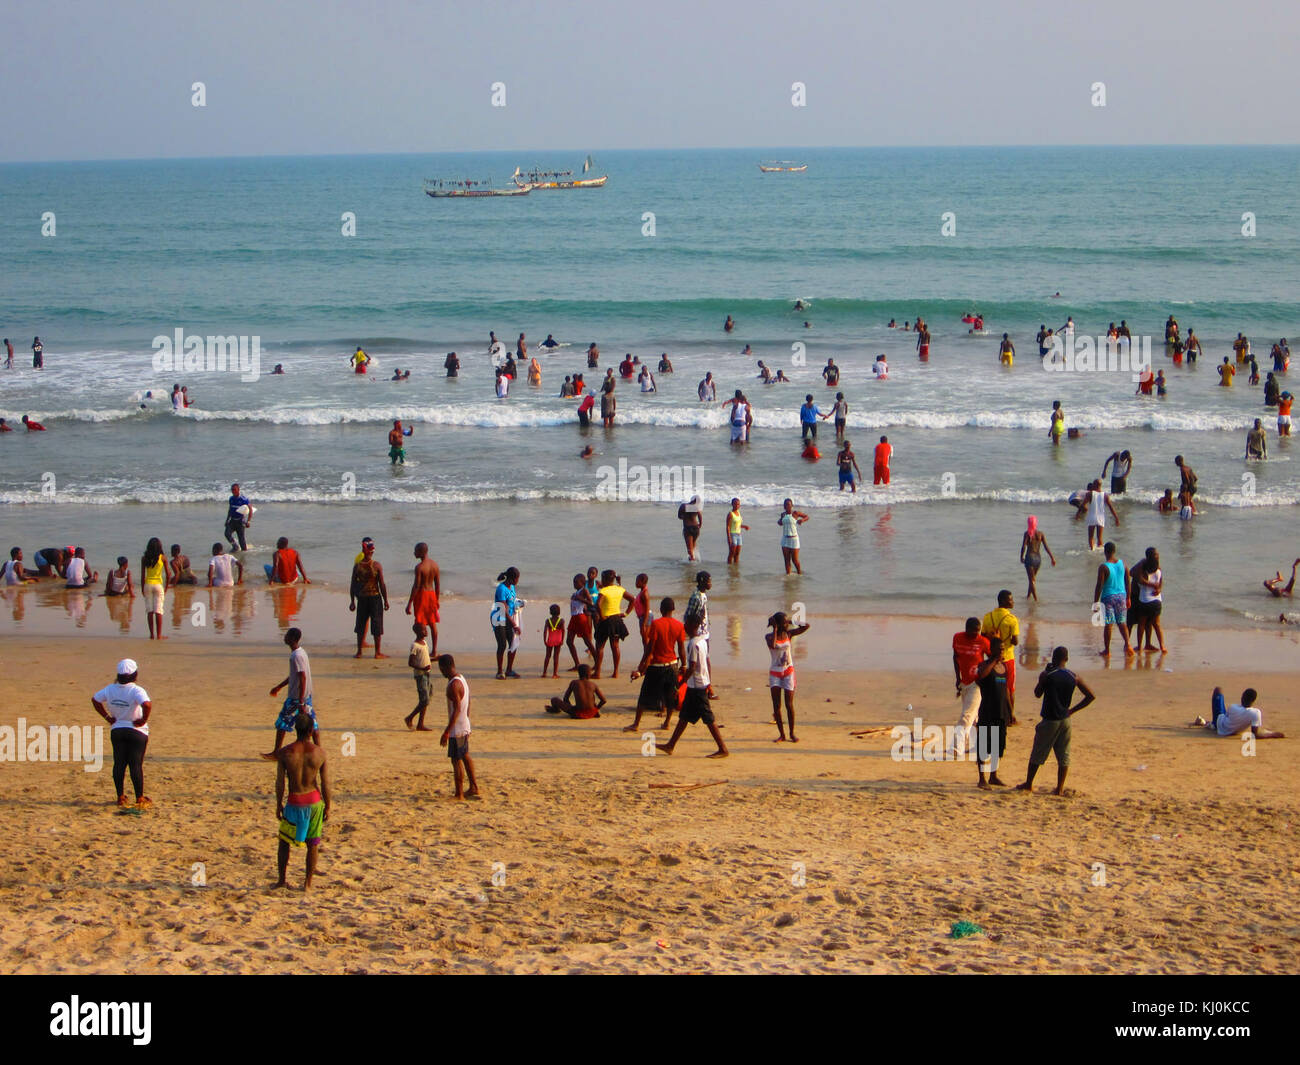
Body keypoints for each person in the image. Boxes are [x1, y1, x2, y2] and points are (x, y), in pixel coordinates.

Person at [1015, 646, 1096, 795]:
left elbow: (1037, 694)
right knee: (1063, 755)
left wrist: (1042, 679)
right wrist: (1072, 710)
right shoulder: (1073, 676)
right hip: (1065, 720)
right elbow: (1090, 696)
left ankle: (1028, 783)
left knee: (1038, 752)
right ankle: (1059, 788)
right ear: (1067, 659)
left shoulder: (1048, 674)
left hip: (1050, 719)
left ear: (1053, 658)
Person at [273, 709, 331, 889]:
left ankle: (282, 880)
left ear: (295, 730)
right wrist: (328, 806)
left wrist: (278, 804)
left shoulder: (285, 752)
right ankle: (307, 883)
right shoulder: (320, 753)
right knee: (312, 844)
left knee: (284, 842)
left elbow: (280, 783)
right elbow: (325, 783)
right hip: (314, 802)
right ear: (311, 731)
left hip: (294, 802)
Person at [656, 614, 728, 757]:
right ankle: (670, 745)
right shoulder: (702, 642)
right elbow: (705, 663)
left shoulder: (693, 644)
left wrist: (680, 684)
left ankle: (723, 749)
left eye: (686, 623)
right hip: (699, 683)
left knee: (708, 718)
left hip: (697, 686)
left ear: (691, 626)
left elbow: (692, 667)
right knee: (684, 716)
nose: (684, 626)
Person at [91, 658, 152, 809]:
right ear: (134, 674)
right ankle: (139, 797)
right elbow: (147, 704)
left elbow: (95, 699)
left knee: (119, 763)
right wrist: (143, 719)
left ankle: (120, 796)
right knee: (135, 765)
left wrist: (107, 717)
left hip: (117, 729)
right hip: (136, 731)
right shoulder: (136, 690)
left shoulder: (110, 689)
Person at [627, 597, 687, 733]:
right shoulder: (679, 625)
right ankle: (667, 723)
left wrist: (641, 666)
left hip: (657, 665)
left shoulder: (656, 624)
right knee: (670, 695)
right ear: (673, 609)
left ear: (661, 609)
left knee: (644, 695)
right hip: (672, 665)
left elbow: (650, 648)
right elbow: (681, 648)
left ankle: (636, 724)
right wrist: (683, 665)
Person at [265, 627, 318, 758]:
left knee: (282, 722)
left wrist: (300, 700)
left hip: (297, 697)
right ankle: (318, 749)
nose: (285, 637)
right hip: (306, 695)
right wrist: (279, 687)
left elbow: (302, 677)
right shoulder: (301, 653)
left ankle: (277, 752)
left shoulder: (296, 656)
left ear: (293, 639)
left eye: (287, 635)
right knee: (312, 722)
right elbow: (294, 676)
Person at [439, 655, 480, 799]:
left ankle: (459, 793)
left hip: (457, 730)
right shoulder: (461, 678)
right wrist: (466, 719)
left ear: (444, 668)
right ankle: (474, 787)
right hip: (464, 725)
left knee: (456, 760)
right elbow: (468, 701)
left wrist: (446, 731)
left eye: (441, 669)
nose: (441, 673)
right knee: (465, 755)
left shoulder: (453, 685)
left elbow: (456, 709)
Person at [766, 611, 809, 742]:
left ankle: (791, 733)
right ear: (778, 624)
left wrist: (790, 622)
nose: (786, 624)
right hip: (775, 674)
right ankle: (782, 735)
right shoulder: (768, 636)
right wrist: (775, 628)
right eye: (784, 622)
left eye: (787, 622)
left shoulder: (789, 634)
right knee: (776, 705)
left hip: (788, 672)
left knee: (789, 705)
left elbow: (806, 626)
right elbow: (773, 645)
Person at [950, 617, 989, 759]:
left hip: (977, 684)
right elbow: (955, 657)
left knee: (966, 716)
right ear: (966, 629)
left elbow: (992, 658)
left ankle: (956, 748)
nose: (976, 634)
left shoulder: (983, 642)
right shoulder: (957, 638)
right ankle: (978, 746)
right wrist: (958, 678)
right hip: (964, 683)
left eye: (978, 631)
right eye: (974, 632)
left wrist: (983, 677)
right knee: (974, 718)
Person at [974, 636, 1010, 788]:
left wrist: (1010, 711)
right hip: (987, 711)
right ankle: (982, 778)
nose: (1002, 651)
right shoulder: (984, 665)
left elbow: (1006, 690)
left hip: (1001, 712)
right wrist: (994, 661)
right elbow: (981, 676)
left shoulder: (1004, 667)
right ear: (992, 650)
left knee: (997, 745)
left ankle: (993, 776)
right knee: (984, 744)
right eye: (999, 648)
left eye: (1003, 648)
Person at [980, 591, 1020, 721]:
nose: (1013, 602)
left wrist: (994, 638)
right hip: (1007, 657)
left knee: (994, 688)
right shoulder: (1011, 619)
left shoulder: (987, 617)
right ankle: (1010, 716)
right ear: (1003, 601)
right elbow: (1015, 641)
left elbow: (983, 636)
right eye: (1010, 599)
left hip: (992, 658)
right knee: (1010, 688)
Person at [349, 537, 389, 658]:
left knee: (360, 624)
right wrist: (386, 600)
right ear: (372, 551)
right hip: (375, 598)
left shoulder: (357, 566)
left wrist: (352, 601)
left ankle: (359, 652)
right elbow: (381, 584)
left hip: (362, 598)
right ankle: (377, 652)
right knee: (377, 624)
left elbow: (353, 584)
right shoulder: (376, 566)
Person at [1194, 687, 1285, 740]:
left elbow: (1226, 717)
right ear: (1253, 701)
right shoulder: (1255, 713)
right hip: (1234, 731)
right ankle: (1205, 723)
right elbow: (1255, 734)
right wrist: (1272, 734)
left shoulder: (1233, 707)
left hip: (1220, 724)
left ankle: (1207, 723)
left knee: (1218, 690)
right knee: (1221, 719)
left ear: (1242, 697)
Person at [1093, 541, 1133, 658]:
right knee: (1121, 622)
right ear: (1114, 551)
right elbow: (1128, 582)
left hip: (1108, 597)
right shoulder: (1123, 564)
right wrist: (1128, 597)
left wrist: (1096, 602)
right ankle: (1128, 644)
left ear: (1105, 552)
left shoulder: (1104, 567)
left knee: (1109, 624)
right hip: (1121, 596)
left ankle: (1107, 650)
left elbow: (1099, 585)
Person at [593, 570, 634, 679]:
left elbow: (598, 604)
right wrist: (625, 613)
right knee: (615, 646)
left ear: (605, 580)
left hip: (606, 620)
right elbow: (632, 599)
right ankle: (616, 672)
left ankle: (597, 673)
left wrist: (601, 616)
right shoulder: (619, 589)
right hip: (617, 620)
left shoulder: (604, 591)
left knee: (600, 646)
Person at [404, 542, 441, 655]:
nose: (414, 553)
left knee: (420, 624)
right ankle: (434, 650)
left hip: (422, 595)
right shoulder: (435, 565)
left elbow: (416, 586)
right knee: (432, 623)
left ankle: (422, 649)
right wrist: (437, 600)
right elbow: (438, 585)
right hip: (432, 594)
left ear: (421, 552)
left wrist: (409, 603)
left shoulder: (419, 567)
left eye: (415, 551)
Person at [1130, 546, 1166, 653]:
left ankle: (1140, 646)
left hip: (1144, 600)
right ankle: (1162, 646)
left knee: (1142, 624)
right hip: (1157, 601)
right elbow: (1160, 580)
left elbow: (1137, 578)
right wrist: (1158, 587)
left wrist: (1154, 586)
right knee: (1156, 624)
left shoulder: (1143, 568)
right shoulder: (1158, 568)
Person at [491, 567, 522, 679]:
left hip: (509, 617)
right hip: (499, 618)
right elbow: (503, 608)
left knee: (513, 643)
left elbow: (512, 601)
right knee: (502, 644)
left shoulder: (512, 587)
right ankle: (500, 671)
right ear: (513, 578)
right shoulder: (501, 589)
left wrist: (519, 604)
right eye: (517, 578)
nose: (518, 581)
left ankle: (509, 670)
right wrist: (514, 624)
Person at [1019, 515, 1056, 600]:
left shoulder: (1027, 534)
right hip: (1038, 559)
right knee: (1032, 579)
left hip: (1030, 558)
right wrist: (1052, 558)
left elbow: (1023, 546)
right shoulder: (1040, 534)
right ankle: (1028, 597)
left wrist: (1021, 557)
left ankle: (1036, 599)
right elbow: (1046, 547)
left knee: (1032, 580)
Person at [405, 622, 434, 730]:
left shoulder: (425, 643)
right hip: (420, 675)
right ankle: (410, 717)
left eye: (426, 629)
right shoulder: (415, 645)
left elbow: (425, 658)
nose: (426, 631)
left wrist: (436, 659)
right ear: (417, 632)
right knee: (424, 700)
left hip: (427, 674)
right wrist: (422, 668)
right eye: (423, 630)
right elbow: (411, 662)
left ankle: (420, 723)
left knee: (427, 698)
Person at [140, 537, 169, 640]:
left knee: (150, 611)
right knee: (158, 610)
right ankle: (159, 635)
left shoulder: (144, 558)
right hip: (158, 585)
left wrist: (142, 588)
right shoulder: (162, 558)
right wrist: (166, 587)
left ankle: (152, 635)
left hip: (148, 584)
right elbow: (169, 574)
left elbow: (143, 575)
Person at [566, 574, 597, 671]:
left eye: (576, 582)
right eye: (573, 582)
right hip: (574, 617)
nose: (574, 584)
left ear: (582, 583)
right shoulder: (577, 592)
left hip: (580, 618)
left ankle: (597, 662)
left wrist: (580, 599)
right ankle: (577, 664)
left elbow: (591, 602)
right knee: (569, 641)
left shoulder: (584, 590)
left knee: (587, 641)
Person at [1081, 479, 1119, 550]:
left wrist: (1080, 513)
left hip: (1092, 517)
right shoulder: (1105, 495)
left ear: (1094, 485)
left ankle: (1092, 550)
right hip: (1101, 518)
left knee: (1091, 537)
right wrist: (1116, 518)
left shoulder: (1090, 494)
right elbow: (1111, 508)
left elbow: (1083, 505)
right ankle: (1100, 551)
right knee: (1100, 538)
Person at [778, 498, 809, 574]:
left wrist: (802, 520)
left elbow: (807, 516)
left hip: (794, 539)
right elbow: (780, 523)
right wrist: (780, 520)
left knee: (795, 560)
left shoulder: (795, 513)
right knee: (786, 560)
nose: (787, 506)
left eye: (789, 504)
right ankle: (788, 575)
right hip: (785, 539)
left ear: (792, 505)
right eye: (785, 505)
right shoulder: (783, 514)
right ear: (784, 506)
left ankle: (799, 574)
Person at [225, 483, 251, 551]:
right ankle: (235, 546)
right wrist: (227, 520)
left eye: (234, 490)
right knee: (227, 534)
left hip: (240, 521)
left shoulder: (243, 499)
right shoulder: (231, 499)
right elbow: (230, 510)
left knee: (242, 541)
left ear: (238, 490)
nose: (233, 491)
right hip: (232, 521)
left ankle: (244, 554)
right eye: (232, 490)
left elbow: (250, 509)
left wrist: (248, 521)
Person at [541, 604, 566, 678]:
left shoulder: (548, 620)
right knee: (556, 657)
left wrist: (544, 640)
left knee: (547, 656)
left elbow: (545, 631)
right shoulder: (561, 620)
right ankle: (554, 674)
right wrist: (562, 640)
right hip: (558, 640)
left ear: (550, 612)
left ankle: (544, 673)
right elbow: (563, 630)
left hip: (550, 639)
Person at [678, 496, 703, 561]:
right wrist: (700, 524)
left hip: (688, 528)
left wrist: (685, 517)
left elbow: (679, 516)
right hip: (696, 528)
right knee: (693, 546)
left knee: (689, 549)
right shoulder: (696, 508)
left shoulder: (683, 506)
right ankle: (695, 560)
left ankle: (692, 564)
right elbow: (700, 516)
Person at [725, 498, 749, 564]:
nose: (737, 506)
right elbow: (728, 527)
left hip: (739, 535)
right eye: (735, 504)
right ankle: (729, 567)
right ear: (732, 504)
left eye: (738, 504)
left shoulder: (738, 513)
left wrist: (744, 527)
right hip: (733, 535)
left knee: (737, 553)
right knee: (732, 553)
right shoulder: (730, 514)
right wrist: (729, 538)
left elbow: (738, 525)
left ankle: (735, 567)